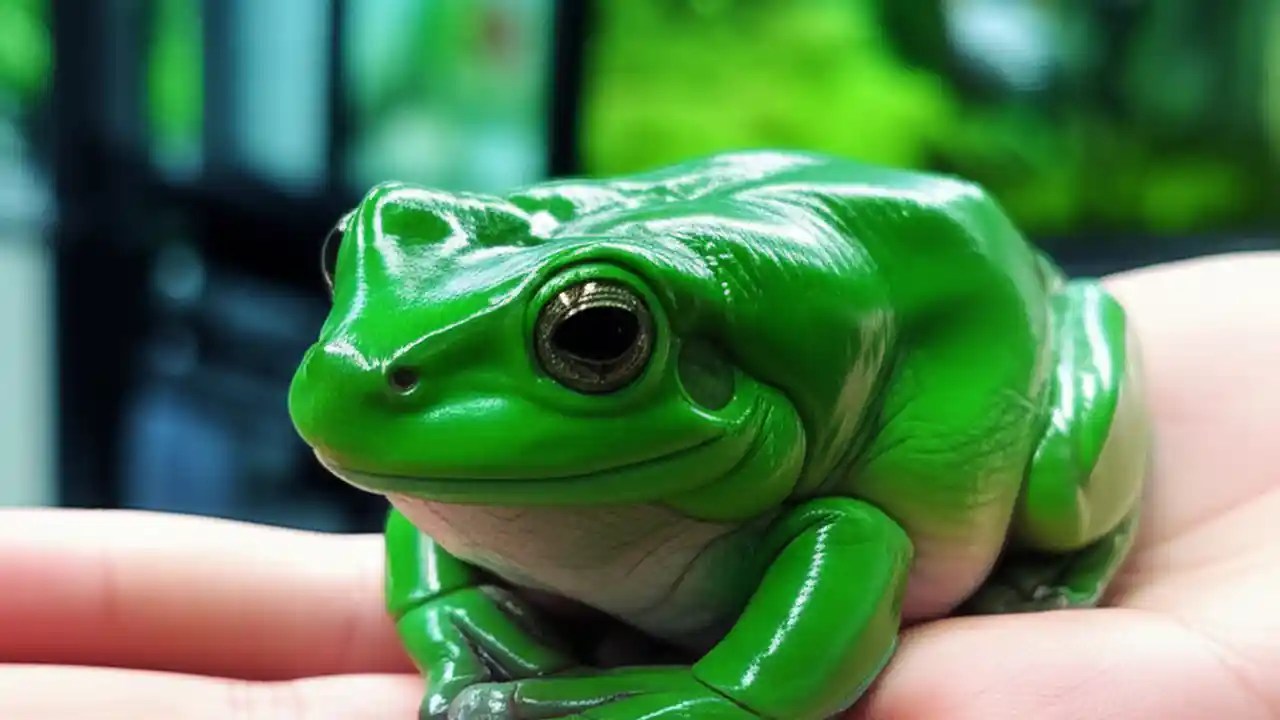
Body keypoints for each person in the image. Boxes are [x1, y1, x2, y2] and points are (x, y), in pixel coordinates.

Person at [2, 251, 1277, 720]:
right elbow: (420, 505)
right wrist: (448, 616)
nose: (354, 368)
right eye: (349, 265)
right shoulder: (400, 385)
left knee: (1050, 489)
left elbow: (855, 536)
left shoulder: (775, 459)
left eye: (588, 342)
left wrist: (722, 689)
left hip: (963, 309)